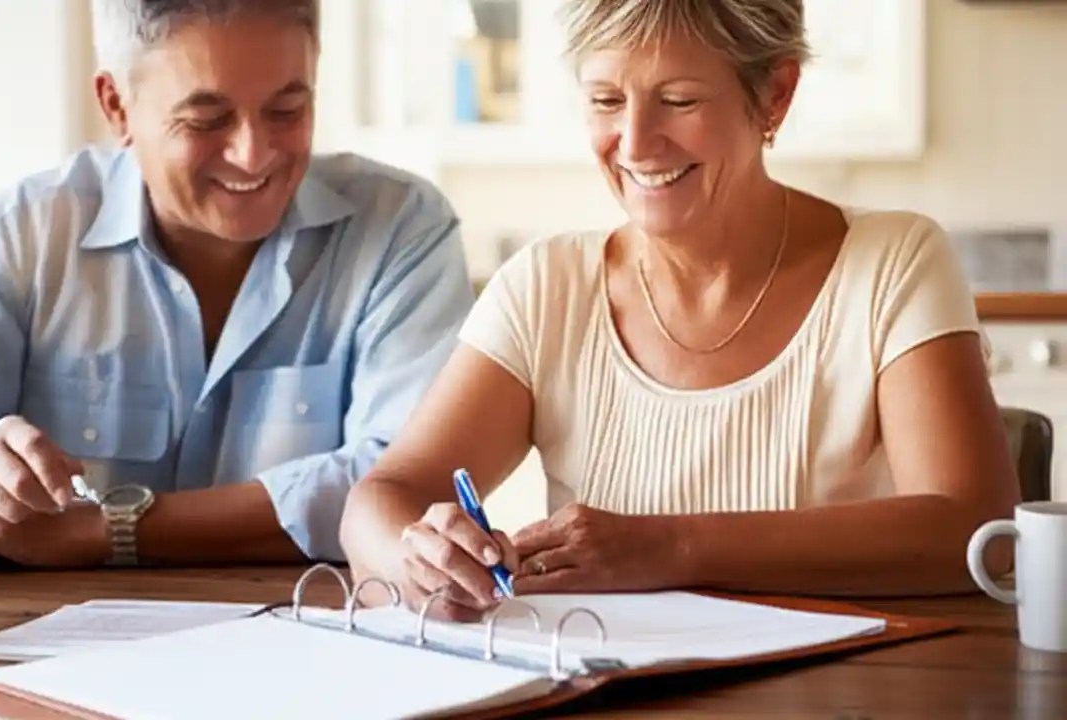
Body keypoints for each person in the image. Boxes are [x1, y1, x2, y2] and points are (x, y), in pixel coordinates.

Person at [340, 0, 1019, 620]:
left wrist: (672, 546)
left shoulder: (894, 262)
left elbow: (974, 529)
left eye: (679, 100)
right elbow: (379, 499)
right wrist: (419, 558)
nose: (635, 143)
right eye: (606, 100)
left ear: (775, 95)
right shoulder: (546, 287)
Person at [0, 0, 473, 568]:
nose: (253, 153)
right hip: (41, 655)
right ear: (116, 105)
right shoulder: (23, 236)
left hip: (319, 649)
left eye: (287, 110)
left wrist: (107, 531)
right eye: (205, 120)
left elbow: (404, 488)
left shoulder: (401, 228)